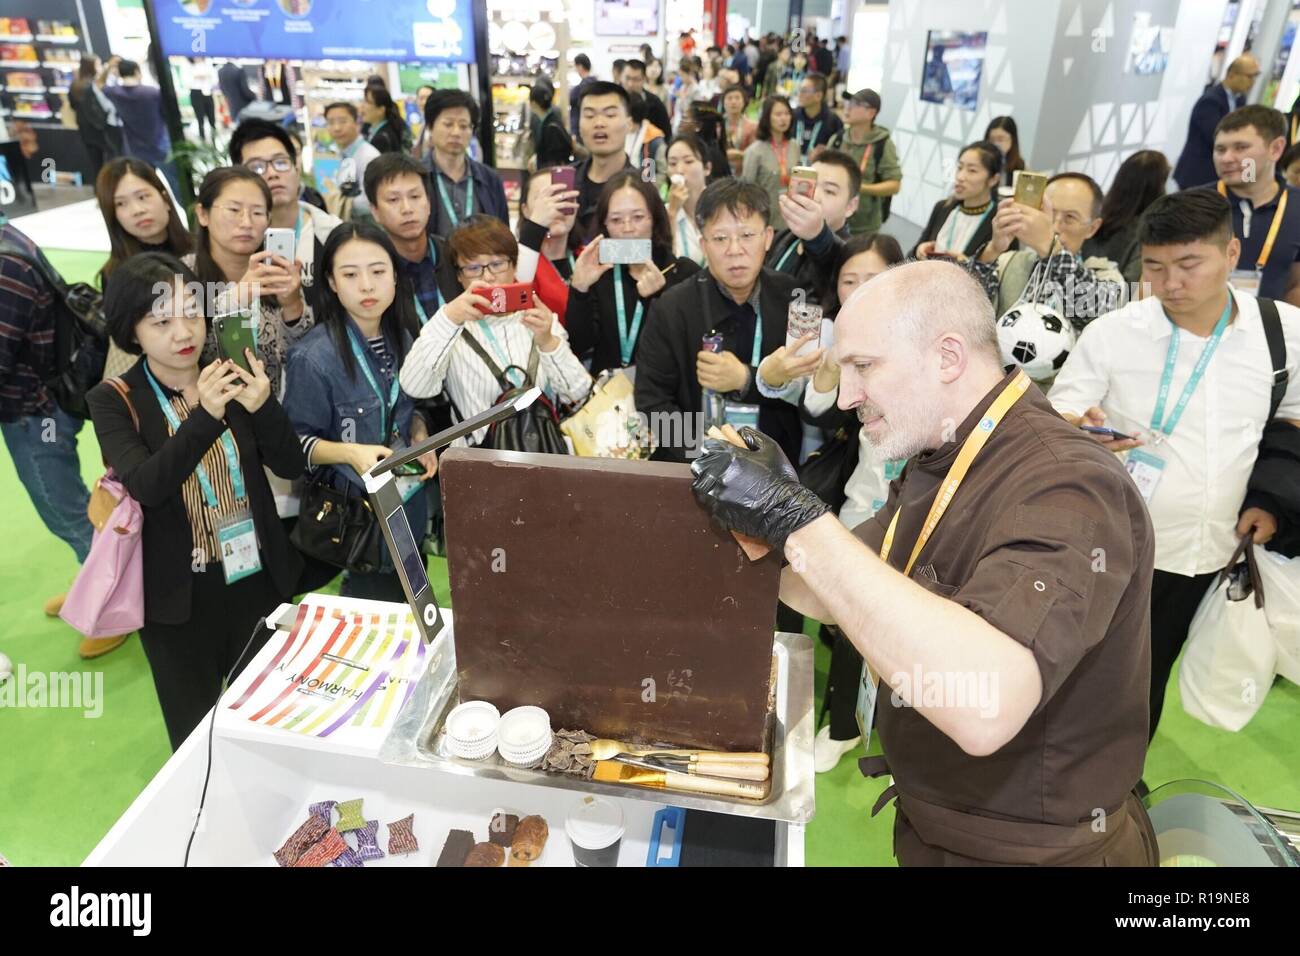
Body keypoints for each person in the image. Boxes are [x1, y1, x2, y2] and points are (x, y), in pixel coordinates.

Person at [691, 260, 1159, 866]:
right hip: (939, 828)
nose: (849, 393)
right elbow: (834, 588)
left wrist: (796, 519)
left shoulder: (1066, 485)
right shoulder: (945, 454)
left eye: (863, 366)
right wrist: (763, 530)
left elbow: (984, 705)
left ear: (947, 357)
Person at [1049, 188, 1300, 742]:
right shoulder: (1117, 333)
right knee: (1074, 666)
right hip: (1111, 543)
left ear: (1231, 254)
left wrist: (1272, 498)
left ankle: (1115, 786)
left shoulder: (1282, 334)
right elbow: (1058, 414)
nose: (1171, 285)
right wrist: (1076, 427)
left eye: (1189, 265)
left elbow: (1294, 423)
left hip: (1206, 549)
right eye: (1156, 267)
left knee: (1149, 671)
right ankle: (1051, 781)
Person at [88, 253, 304, 750]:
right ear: (132, 331)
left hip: (256, 580)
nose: (182, 332)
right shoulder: (114, 397)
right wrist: (205, 415)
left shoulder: (229, 370)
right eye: (161, 321)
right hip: (177, 600)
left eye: (191, 312)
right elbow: (146, 484)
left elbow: (292, 466)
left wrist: (263, 406)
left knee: (274, 722)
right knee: (196, 741)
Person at [283, 223, 439, 603]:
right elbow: (295, 444)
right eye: (350, 274)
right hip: (357, 516)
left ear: (395, 277)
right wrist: (350, 452)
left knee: (413, 602)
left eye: (378, 271)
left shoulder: (404, 337)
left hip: (407, 500)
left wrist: (420, 436)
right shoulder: (313, 356)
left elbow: (409, 407)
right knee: (375, 612)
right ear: (332, 283)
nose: (366, 285)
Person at [0, 219, 128, 659]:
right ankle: (93, 588)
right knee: (67, 506)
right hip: (37, 404)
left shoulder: (4, 264)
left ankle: (112, 606)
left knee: (67, 511)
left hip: (35, 410)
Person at [634, 179, 804, 465]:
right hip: (697, 470)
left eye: (747, 235)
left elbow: (810, 392)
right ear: (704, 244)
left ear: (768, 237)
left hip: (777, 469)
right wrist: (707, 452)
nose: (734, 249)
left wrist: (747, 379)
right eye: (721, 238)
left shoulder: (795, 299)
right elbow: (652, 404)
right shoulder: (671, 307)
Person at [398, 215, 591, 447]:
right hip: (479, 466)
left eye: (497, 264)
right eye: (473, 268)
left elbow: (579, 393)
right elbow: (415, 386)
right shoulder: (450, 327)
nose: (488, 276)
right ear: (459, 276)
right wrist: (449, 318)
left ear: (514, 266)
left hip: (545, 456)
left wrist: (548, 342)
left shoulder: (540, 319)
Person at [185, 167, 310, 402]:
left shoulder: (277, 273)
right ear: (203, 214)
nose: (246, 222)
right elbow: (184, 350)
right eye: (233, 210)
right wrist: (234, 300)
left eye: (257, 212)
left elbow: (305, 358)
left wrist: (293, 305)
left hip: (278, 416)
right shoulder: (180, 278)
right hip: (211, 420)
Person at [567, 172, 701, 375]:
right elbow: (579, 345)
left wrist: (658, 299)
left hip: (664, 398)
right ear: (605, 224)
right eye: (616, 219)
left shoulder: (683, 273)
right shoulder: (601, 273)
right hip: (608, 398)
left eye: (638, 217)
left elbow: (688, 349)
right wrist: (579, 289)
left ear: (654, 219)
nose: (627, 228)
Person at [972, 171, 1126, 333]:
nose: (1055, 227)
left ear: (1092, 228)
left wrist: (1050, 246)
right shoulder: (1009, 262)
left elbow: (1092, 312)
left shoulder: (1107, 276)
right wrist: (993, 249)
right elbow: (965, 305)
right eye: (1048, 214)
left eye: (1070, 217)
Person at [229, 119, 341, 306]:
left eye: (281, 163)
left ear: (297, 170)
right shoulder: (230, 243)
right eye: (257, 167)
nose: (272, 173)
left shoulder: (332, 233)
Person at [1211, 105, 1300, 306]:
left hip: (1270, 330)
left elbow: (1296, 285)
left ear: (1276, 148)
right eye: (1220, 149)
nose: (1227, 158)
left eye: (1241, 147)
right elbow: (1151, 277)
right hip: (1196, 331)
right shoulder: (1191, 205)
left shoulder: (1296, 207)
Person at [364, 152, 464, 328]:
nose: (407, 208)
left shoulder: (456, 254)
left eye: (415, 196)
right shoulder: (371, 273)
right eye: (393, 199)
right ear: (375, 211)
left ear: (429, 203)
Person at [764, 149, 860, 307]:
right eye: (811, 186)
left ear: (851, 205)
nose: (815, 197)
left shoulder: (852, 256)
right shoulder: (785, 236)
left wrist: (817, 236)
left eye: (829, 191)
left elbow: (832, 253)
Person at [423, 90, 510, 240]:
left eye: (463, 126)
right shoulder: (418, 177)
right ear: (430, 127)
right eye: (448, 124)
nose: (456, 132)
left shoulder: (489, 179)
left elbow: (503, 232)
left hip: (482, 262)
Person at [95, 158, 194, 287]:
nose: (137, 210)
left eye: (142, 197)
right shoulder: (117, 275)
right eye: (121, 203)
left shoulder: (203, 249)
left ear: (165, 199)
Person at [1083, 149, 1169, 286]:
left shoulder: (1092, 218)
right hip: (1122, 302)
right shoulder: (1153, 232)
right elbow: (1138, 290)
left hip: (1076, 297)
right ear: (1160, 185)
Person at [1174, 54, 1261, 189]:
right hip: (1197, 174)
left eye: (1256, 76)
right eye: (1249, 76)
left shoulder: (1240, 99)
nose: (1253, 82)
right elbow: (1217, 138)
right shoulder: (1210, 101)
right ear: (1232, 74)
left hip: (1218, 175)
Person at [96, 57, 177, 197]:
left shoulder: (115, 93)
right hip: (161, 147)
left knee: (147, 192)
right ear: (137, 72)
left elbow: (98, 84)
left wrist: (109, 66)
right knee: (177, 187)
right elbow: (168, 117)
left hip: (137, 152)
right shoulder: (153, 92)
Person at [827, 89, 901, 236]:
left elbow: (894, 185)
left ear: (871, 113)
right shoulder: (838, 139)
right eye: (849, 102)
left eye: (856, 104)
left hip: (864, 225)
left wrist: (861, 188)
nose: (848, 107)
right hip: (833, 218)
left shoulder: (882, 144)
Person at [913, 141, 1002, 260]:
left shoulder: (1001, 221)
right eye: (959, 168)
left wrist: (966, 264)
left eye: (972, 170)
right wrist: (920, 250)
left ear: (993, 179)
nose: (960, 177)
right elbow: (912, 255)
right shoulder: (943, 207)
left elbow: (1004, 273)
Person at [519, 165, 582, 323]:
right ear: (525, 210)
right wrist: (535, 229)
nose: (556, 206)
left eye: (564, 198)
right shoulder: (514, 262)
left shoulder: (588, 257)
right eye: (545, 199)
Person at [573, 82, 636, 238]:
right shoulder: (566, 183)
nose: (599, 123)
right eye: (589, 115)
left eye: (610, 115)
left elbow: (645, 253)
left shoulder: (641, 188)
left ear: (629, 125)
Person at [742, 96, 801, 233]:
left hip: (791, 219)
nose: (784, 119)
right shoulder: (755, 151)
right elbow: (747, 190)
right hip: (765, 221)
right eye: (778, 114)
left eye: (787, 114)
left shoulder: (794, 147)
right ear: (767, 117)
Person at [324, 101, 382, 219]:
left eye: (342, 121)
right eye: (331, 122)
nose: (337, 128)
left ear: (357, 123)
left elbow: (371, 201)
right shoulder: (345, 153)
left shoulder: (368, 157)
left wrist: (337, 202)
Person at [69, 56, 123, 179]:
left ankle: (100, 190)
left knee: (96, 165)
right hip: (99, 130)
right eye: (97, 65)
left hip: (85, 130)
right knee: (112, 162)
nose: (99, 67)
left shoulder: (74, 85)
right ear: (91, 67)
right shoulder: (92, 86)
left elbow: (73, 106)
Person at [666, 134, 713, 266]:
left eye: (689, 161)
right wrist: (672, 214)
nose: (680, 170)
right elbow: (665, 263)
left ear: (707, 168)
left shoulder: (723, 208)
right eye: (672, 164)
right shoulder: (664, 213)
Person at [792, 73, 843, 164]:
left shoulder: (833, 121)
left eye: (804, 91)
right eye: (799, 90)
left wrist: (825, 154)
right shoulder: (792, 116)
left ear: (818, 96)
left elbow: (839, 154)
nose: (799, 94)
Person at [529, 78, 574, 170]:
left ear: (534, 103)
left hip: (551, 174)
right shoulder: (551, 118)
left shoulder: (550, 125)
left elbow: (553, 157)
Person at [720, 84, 757, 175]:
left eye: (737, 98)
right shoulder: (717, 125)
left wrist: (740, 155)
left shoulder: (753, 126)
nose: (733, 102)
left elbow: (756, 153)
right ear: (723, 103)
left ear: (744, 102)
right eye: (729, 98)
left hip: (744, 172)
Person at [362, 85, 410, 155]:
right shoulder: (381, 130)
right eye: (363, 101)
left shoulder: (381, 139)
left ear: (381, 110)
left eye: (368, 102)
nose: (362, 106)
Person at [984, 116, 1024, 189]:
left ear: (1012, 140)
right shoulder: (981, 162)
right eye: (992, 140)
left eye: (1000, 139)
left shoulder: (1020, 166)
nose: (996, 144)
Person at [217, 59, 259, 125]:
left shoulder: (220, 71)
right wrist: (255, 97)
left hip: (232, 107)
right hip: (244, 108)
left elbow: (222, 89)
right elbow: (246, 91)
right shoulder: (239, 71)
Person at [187, 57, 217, 143]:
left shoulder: (208, 64)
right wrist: (197, 77)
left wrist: (206, 76)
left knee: (212, 119)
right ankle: (203, 141)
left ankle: (214, 140)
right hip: (196, 93)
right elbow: (187, 82)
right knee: (200, 120)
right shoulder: (189, 67)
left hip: (207, 92)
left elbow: (214, 80)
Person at [570, 53, 597, 139]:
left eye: (576, 66)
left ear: (580, 66)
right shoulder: (594, 83)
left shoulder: (582, 87)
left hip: (581, 130)